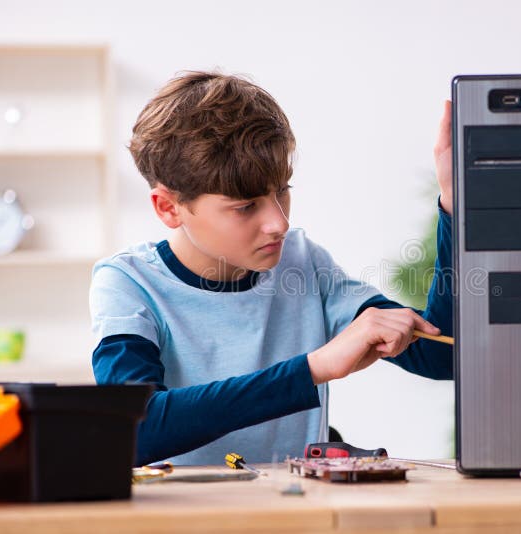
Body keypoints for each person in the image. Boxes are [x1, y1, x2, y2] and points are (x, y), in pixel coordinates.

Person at [89, 71, 454, 465]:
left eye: (282, 190)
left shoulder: (303, 262)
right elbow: (135, 429)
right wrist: (311, 369)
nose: (278, 223)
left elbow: (445, 356)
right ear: (168, 207)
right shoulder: (127, 283)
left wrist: (455, 205)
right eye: (245, 206)